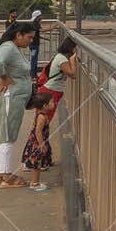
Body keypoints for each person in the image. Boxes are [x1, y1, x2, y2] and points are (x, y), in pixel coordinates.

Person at [22, 36, 76, 191]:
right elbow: (73, 74)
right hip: (50, 91)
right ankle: (34, 160)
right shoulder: (62, 59)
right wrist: (73, 61)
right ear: (71, 49)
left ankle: (32, 160)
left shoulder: (58, 57)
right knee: (42, 124)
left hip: (50, 91)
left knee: (41, 124)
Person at [0, 23, 35, 187]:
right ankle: (7, 175)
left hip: (12, 97)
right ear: (18, 35)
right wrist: (5, 78)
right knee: (8, 134)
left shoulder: (12, 48)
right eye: (29, 37)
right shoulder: (8, 48)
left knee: (1, 133)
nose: (30, 41)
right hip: (11, 97)